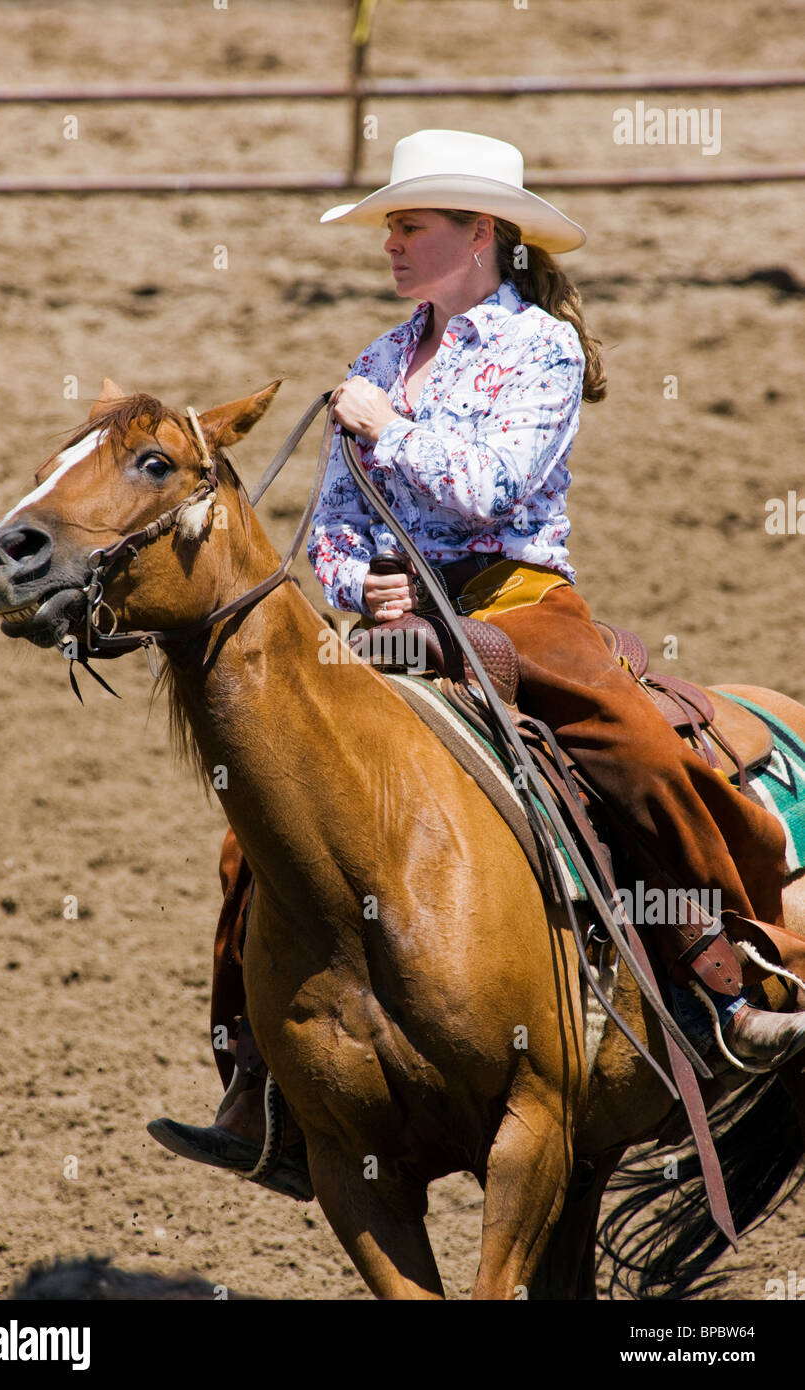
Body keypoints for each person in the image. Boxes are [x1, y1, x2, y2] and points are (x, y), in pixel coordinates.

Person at [149, 129, 805, 1193]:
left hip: (517, 605)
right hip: (399, 627)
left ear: (482, 233)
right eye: (392, 226)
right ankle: (254, 1082)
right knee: (259, 819)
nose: (392, 244)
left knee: (631, 748)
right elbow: (330, 524)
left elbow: (493, 487)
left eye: (411, 225)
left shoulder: (535, 347)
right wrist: (360, 586)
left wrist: (390, 426)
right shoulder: (375, 357)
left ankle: (727, 976)